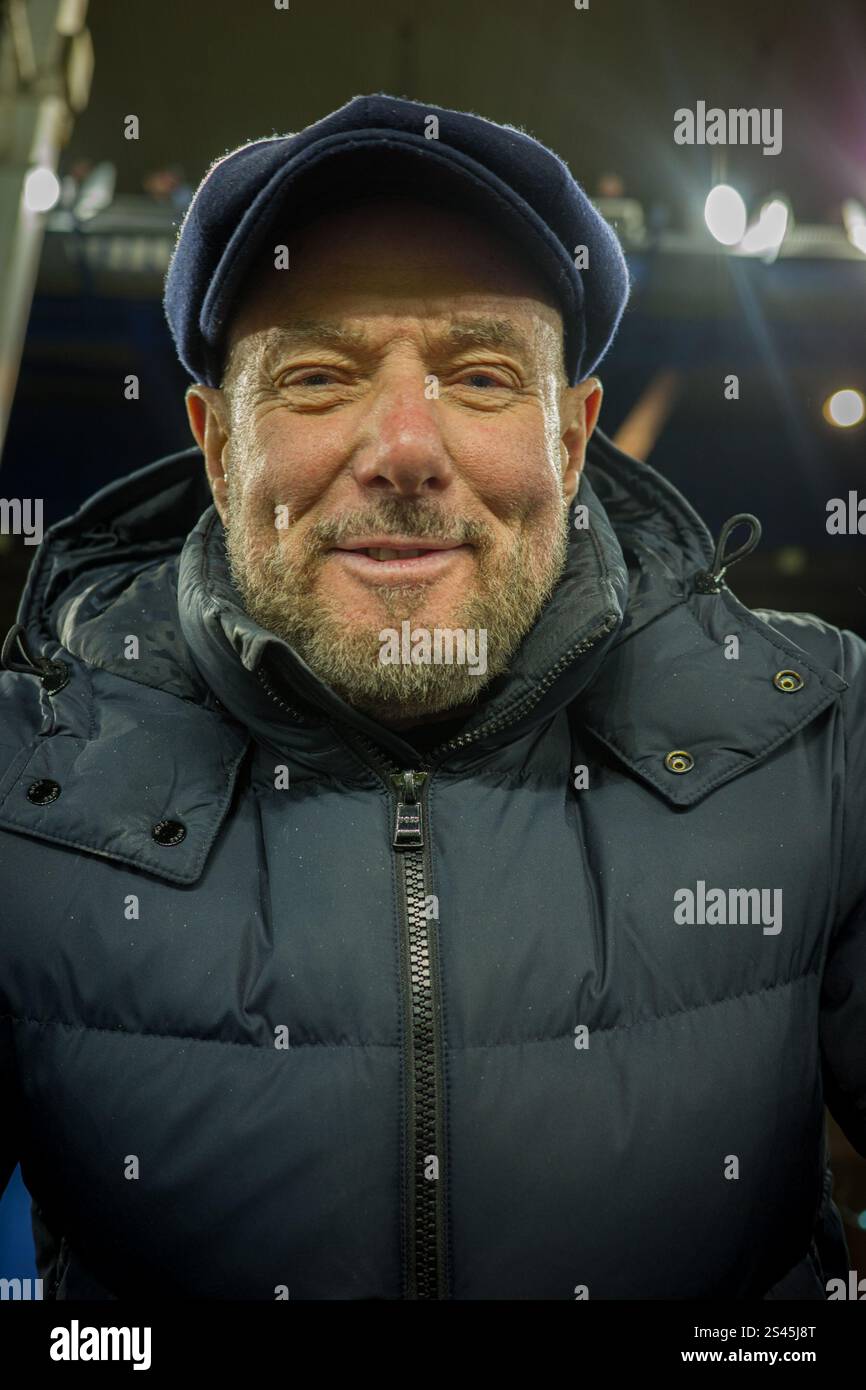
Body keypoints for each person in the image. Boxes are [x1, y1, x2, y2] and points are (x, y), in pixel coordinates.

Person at [0, 93, 863, 1301]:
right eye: (314, 375)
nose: (405, 444)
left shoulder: (818, 736)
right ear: (214, 447)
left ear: (569, 443)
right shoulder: (22, 788)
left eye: (478, 373)